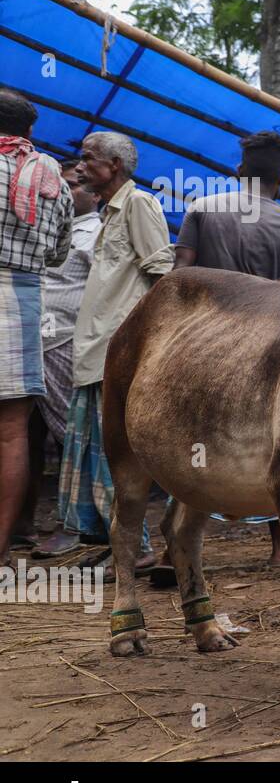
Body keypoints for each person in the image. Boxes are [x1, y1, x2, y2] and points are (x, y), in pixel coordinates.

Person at [173, 130, 280, 565]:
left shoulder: (202, 209)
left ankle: (172, 546)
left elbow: (177, 279)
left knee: (189, 437)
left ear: (238, 172)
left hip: (206, 343)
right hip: (267, 349)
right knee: (275, 441)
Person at [58, 131, 173, 572]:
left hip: (116, 350)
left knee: (118, 456)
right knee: (103, 452)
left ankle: (136, 548)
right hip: (97, 351)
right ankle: (120, 543)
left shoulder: (139, 205)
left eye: (89, 159)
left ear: (115, 167)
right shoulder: (110, 212)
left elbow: (161, 275)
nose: (81, 165)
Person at [0, 90, 73, 569]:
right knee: (12, 434)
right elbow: (58, 255)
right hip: (23, 299)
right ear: (30, 131)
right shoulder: (55, 180)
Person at [17, 162, 103, 558]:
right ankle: (22, 524)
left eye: (75, 186)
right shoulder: (46, 226)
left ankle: (75, 525)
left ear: (97, 194)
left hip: (66, 342)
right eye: (62, 186)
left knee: (75, 436)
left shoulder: (97, 233)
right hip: (31, 341)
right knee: (29, 436)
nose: (65, 193)